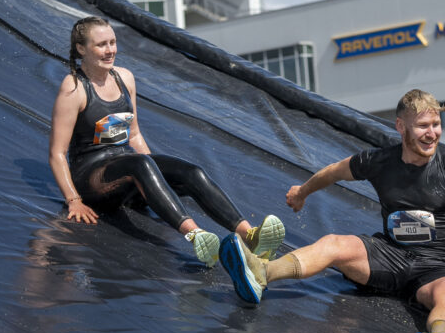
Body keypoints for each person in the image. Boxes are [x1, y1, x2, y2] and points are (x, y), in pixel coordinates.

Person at [218, 89, 445, 333]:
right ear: (400, 126)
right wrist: (302, 192)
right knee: (333, 243)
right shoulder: (381, 161)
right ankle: (260, 274)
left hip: (436, 267)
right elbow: (334, 172)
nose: (432, 133)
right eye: (423, 126)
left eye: (436, 125)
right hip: (388, 256)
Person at [48, 16, 285, 274]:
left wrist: (155, 175)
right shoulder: (74, 88)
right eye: (101, 45)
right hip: (92, 176)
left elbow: (135, 134)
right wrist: (74, 200)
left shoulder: (124, 78)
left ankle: (249, 234)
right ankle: (197, 237)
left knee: (190, 172)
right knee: (140, 163)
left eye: (113, 43)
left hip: (128, 164)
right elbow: (57, 153)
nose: (110, 50)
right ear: (82, 48)